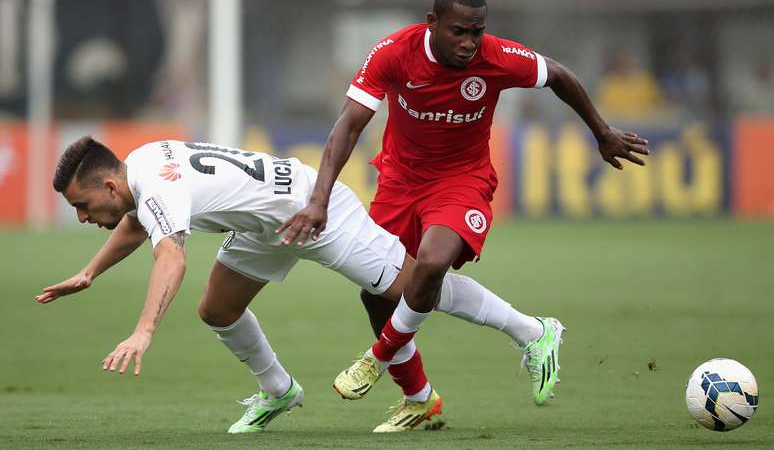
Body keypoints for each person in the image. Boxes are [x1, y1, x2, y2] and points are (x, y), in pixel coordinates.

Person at [279, 0, 649, 432]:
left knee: (431, 263)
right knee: (377, 292)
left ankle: (375, 359)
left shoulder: (496, 56)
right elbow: (348, 126)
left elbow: (558, 74)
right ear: (432, 23)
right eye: (459, 31)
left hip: (461, 180)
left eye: (477, 32)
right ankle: (428, 395)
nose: (470, 43)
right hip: (399, 180)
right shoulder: (394, 52)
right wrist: (319, 201)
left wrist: (602, 131)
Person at [37, 137, 561, 433]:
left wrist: (144, 330)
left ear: (109, 184)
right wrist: (90, 272)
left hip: (315, 211)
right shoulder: (142, 163)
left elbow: (170, 255)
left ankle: (533, 331)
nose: (83, 217)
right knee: (218, 309)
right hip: (265, 222)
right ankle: (278, 391)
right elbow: (134, 220)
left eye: (82, 206)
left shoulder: (155, 186)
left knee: (414, 289)